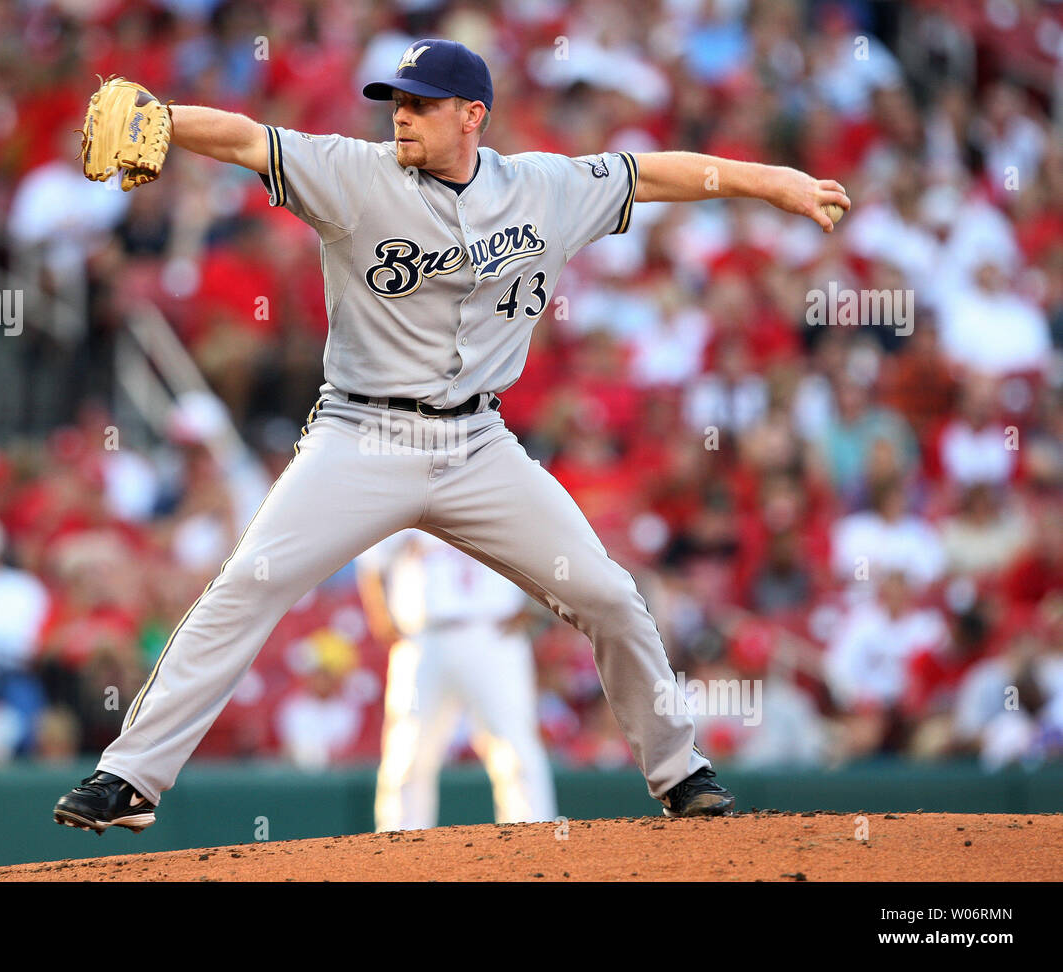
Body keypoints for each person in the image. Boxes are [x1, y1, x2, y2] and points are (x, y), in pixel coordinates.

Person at [55, 38, 851, 833]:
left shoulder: (543, 187)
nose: (402, 117)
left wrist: (770, 181)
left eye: (422, 104)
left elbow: (653, 173)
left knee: (606, 594)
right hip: (361, 434)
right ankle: (130, 777)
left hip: (479, 445)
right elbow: (244, 138)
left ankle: (681, 774)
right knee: (247, 584)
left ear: (472, 115)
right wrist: (162, 117)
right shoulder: (353, 174)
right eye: (397, 102)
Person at [357, 530, 556, 831]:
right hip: (423, 637)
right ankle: (398, 843)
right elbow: (372, 562)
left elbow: (543, 550)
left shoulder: (499, 491)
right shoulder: (406, 493)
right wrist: (381, 615)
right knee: (408, 747)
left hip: (493, 631)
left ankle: (533, 836)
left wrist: (533, 607)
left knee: (515, 744)